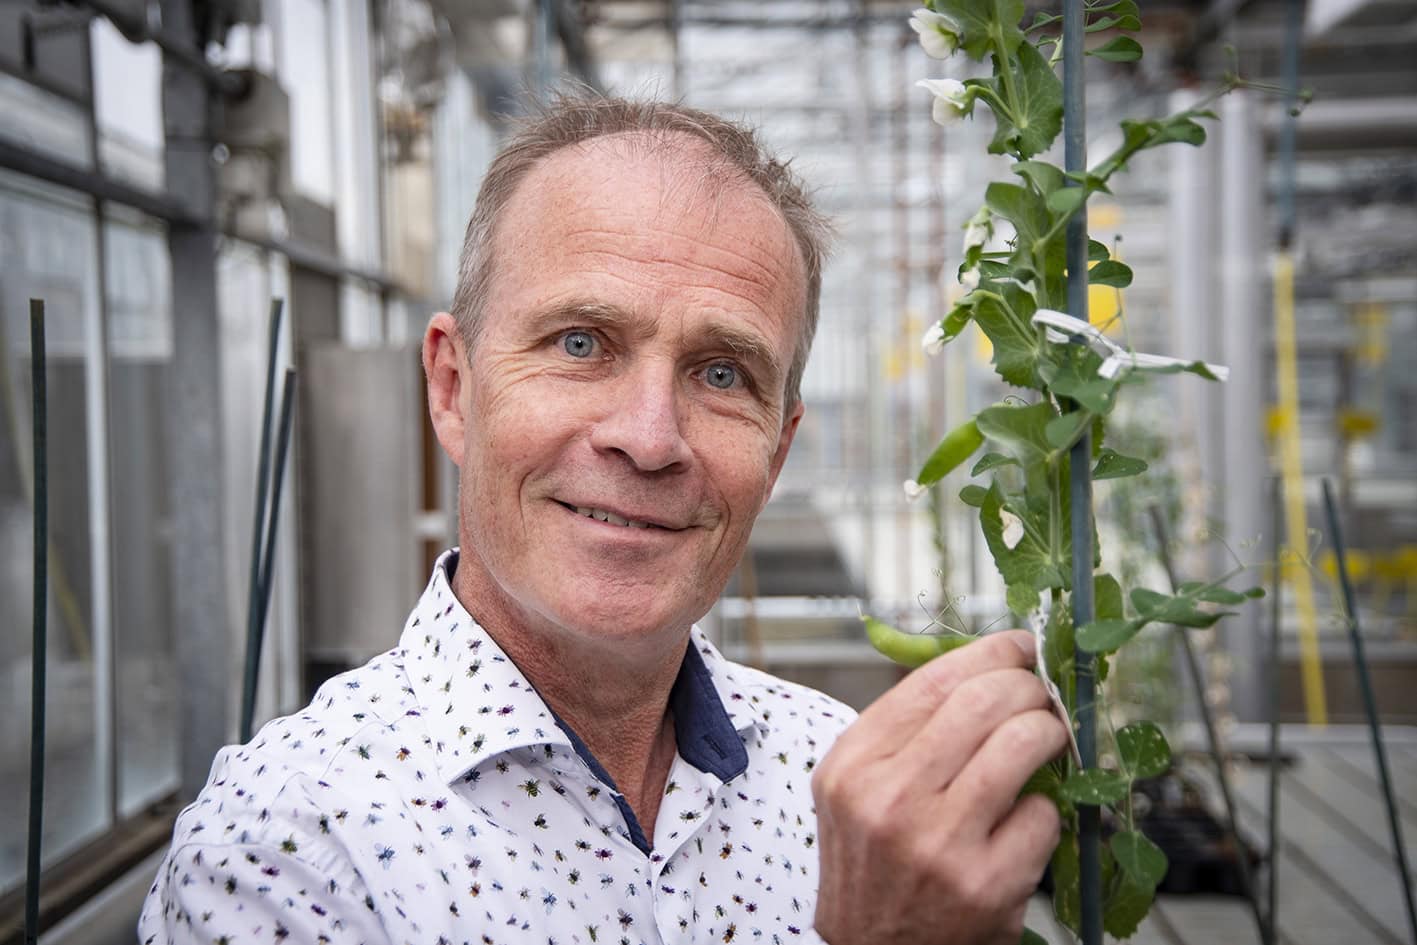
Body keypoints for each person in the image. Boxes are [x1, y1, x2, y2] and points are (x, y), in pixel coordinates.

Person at [139, 96, 1066, 945]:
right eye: (579, 344)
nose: (649, 437)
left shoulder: (838, 781)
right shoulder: (287, 845)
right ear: (454, 389)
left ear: (776, 452)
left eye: (720, 373)